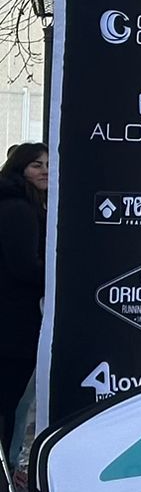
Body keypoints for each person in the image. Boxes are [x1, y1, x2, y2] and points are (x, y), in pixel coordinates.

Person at [0, 143, 46, 463]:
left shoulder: (21, 205)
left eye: (48, 164)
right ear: (20, 169)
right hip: (14, 324)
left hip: (14, 320)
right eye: (36, 165)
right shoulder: (19, 209)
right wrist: (61, 275)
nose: (45, 171)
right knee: (12, 403)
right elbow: (24, 266)